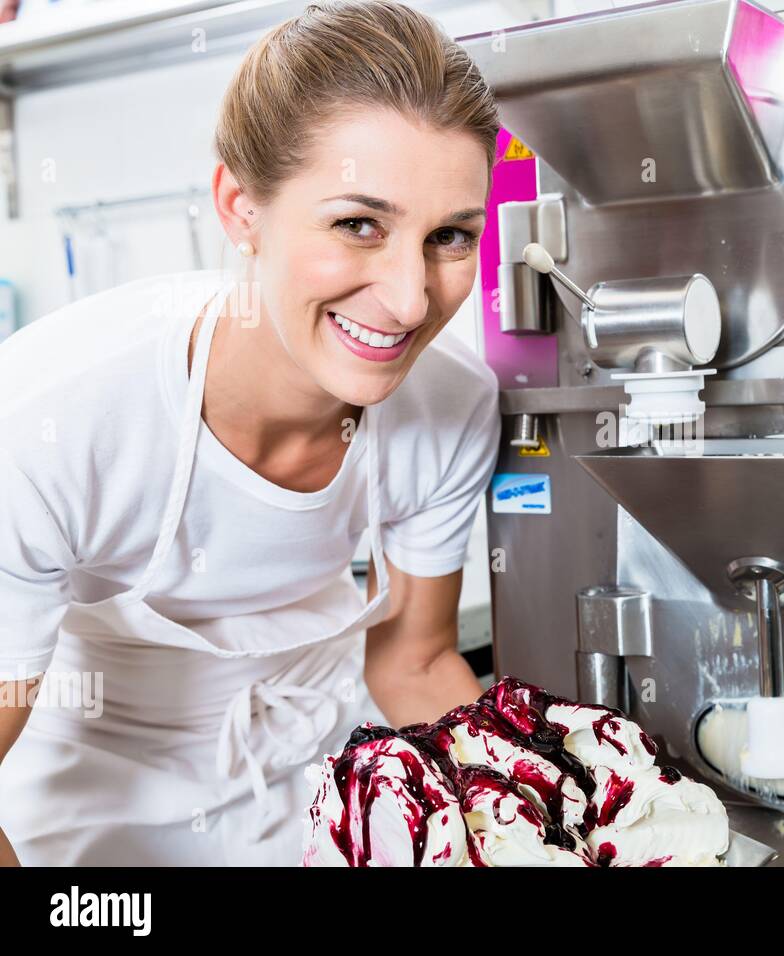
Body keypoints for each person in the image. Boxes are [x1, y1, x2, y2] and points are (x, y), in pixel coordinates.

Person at [0, 0, 503, 865]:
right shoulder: (51, 420)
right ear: (240, 206)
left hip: (320, 799)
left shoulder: (450, 404)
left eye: (449, 237)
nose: (412, 300)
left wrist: (528, 825)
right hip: (88, 824)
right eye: (359, 224)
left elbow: (414, 668)